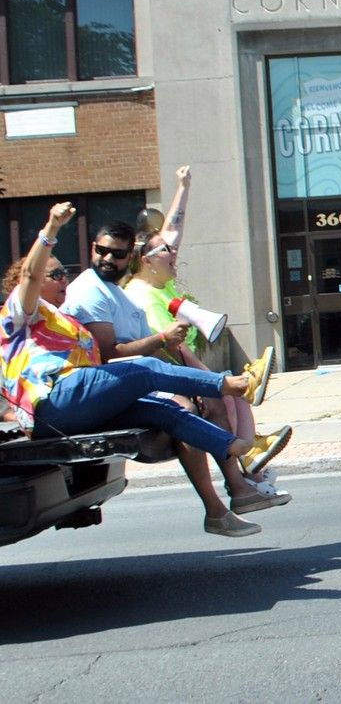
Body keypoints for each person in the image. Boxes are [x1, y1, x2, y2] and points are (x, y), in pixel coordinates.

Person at [0, 202, 278, 538]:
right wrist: (52, 229)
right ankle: (235, 385)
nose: (64, 280)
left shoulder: (65, 321)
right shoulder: (22, 312)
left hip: (73, 405)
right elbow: (31, 276)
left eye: (64, 273)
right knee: (144, 370)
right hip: (53, 400)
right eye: (55, 274)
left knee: (163, 410)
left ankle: (225, 477)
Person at [124, 166, 292, 490]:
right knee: (226, 396)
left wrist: (183, 187)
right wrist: (213, 381)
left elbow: (172, 230)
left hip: (174, 372)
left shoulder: (159, 283)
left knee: (233, 394)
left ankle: (251, 459)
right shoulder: (143, 296)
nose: (174, 252)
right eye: (166, 251)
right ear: (147, 260)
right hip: (164, 378)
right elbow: (173, 352)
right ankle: (246, 469)